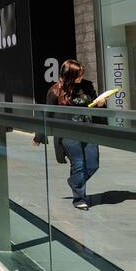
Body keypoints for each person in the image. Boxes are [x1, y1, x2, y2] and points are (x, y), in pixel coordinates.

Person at [36, 59, 112, 210]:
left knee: (93, 164)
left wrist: (101, 104)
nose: (81, 77)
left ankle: (74, 182)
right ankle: (79, 199)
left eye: (82, 73)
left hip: (88, 130)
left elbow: (95, 107)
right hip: (67, 133)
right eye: (78, 74)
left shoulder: (87, 86)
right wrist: (39, 135)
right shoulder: (55, 91)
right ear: (69, 75)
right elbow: (47, 114)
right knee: (78, 164)